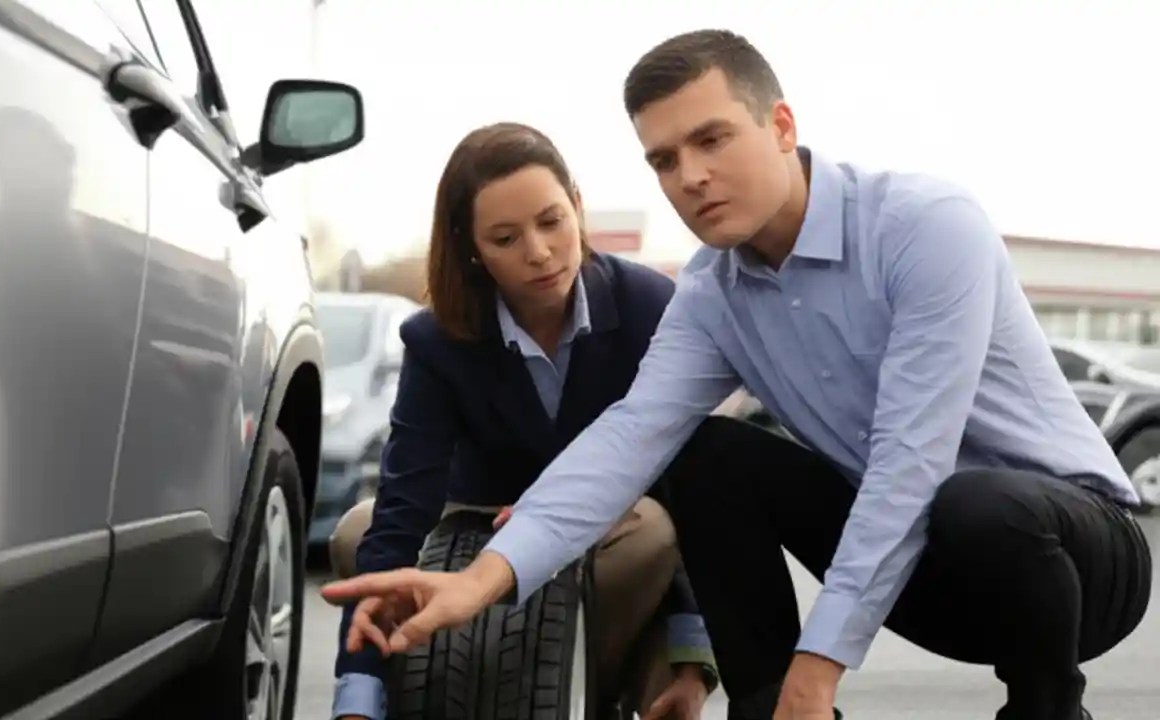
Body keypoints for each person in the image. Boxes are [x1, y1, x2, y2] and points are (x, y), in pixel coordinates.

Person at [323, 29, 1155, 720]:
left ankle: (1049, 710)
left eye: (712, 139)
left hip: (1076, 564)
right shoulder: (710, 294)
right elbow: (625, 440)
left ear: (782, 126)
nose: (689, 176)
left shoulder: (925, 227)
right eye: (663, 160)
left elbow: (912, 460)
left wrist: (819, 664)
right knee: (703, 454)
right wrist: (476, 582)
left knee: (976, 502)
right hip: (923, 568)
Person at [327, 121, 718, 720]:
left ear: (577, 206)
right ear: (471, 248)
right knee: (356, 533)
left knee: (654, 531)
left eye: (551, 221)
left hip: (613, 527)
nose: (537, 252)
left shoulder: (648, 307)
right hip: (475, 528)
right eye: (505, 237)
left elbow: (684, 478)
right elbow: (406, 501)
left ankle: (603, 691)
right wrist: (357, 693)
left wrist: (691, 659)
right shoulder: (436, 340)